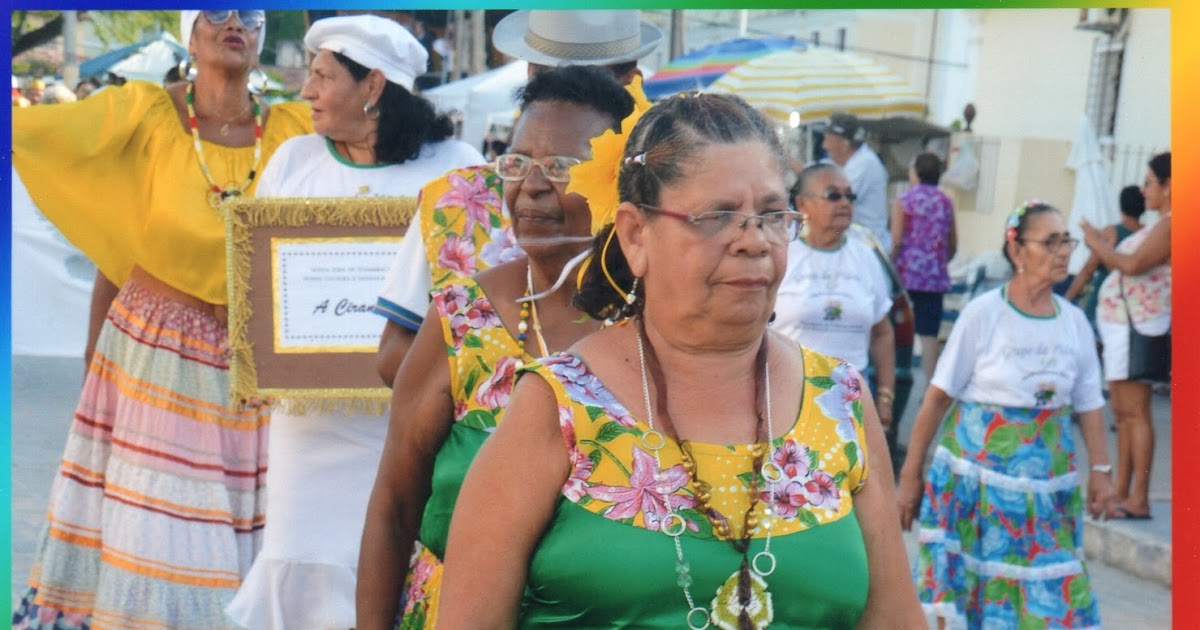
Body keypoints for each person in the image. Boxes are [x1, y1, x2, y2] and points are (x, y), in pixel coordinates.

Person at [436, 92, 924, 629]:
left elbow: (895, 619)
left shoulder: (840, 400)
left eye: (770, 215)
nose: (753, 241)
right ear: (636, 234)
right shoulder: (558, 408)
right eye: (717, 217)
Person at [11, 10, 312, 629]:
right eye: (216, 11)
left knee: (235, 548)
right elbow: (39, 137)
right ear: (189, 31)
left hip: (249, 372)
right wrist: (97, 378)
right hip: (153, 358)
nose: (235, 22)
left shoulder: (291, 129)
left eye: (251, 13)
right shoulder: (145, 114)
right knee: (157, 544)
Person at [223, 16, 484, 630]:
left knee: (401, 558)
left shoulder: (456, 166)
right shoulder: (294, 160)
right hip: (309, 425)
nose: (306, 92)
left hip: (414, 416)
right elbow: (259, 276)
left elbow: (476, 291)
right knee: (301, 558)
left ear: (373, 84)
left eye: (321, 76)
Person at [357, 65, 636, 630]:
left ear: (618, 184)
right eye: (517, 163)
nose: (531, 186)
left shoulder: (656, 327)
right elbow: (392, 505)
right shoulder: (463, 319)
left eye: (560, 167)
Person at [373, 9, 662, 388]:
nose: (560, 100)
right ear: (528, 79)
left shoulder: (664, 204)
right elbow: (395, 353)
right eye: (547, 80)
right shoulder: (453, 201)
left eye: (587, 82)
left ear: (631, 84)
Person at [897, 201, 1117, 628]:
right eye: (1049, 241)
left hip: (1047, 490)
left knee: (1050, 593)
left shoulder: (1074, 322)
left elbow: (1090, 403)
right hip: (975, 486)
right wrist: (910, 478)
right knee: (969, 591)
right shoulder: (983, 313)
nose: (1062, 252)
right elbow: (938, 397)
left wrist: (1103, 472)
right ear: (1017, 251)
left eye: (1065, 241)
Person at [1080, 152, 1171, 520]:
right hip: (1127, 325)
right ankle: (1123, 492)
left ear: (1169, 186)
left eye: (1150, 182)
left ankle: (1138, 497)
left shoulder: (1171, 225)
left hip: (1139, 326)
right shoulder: (1161, 224)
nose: (1144, 189)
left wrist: (1097, 244)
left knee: (1135, 413)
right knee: (1124, 412)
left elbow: (1133, 264)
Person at [773, 163, 897, 430]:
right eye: (833, 195)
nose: (844, 203)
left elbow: (882, 333)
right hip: (788, 396)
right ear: (803, 204)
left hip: (851, 399)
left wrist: (885, 397)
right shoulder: (783, 254)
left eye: (849, 196)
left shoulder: (864, 256)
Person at [890, 151, 956, 382]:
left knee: (898, 329)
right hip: (934, 277)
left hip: (905, 275)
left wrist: (891, 265)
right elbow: (952, 243)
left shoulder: (904, 200)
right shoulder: (946, 202)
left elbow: (897, 240)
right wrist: (938, 261)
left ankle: (897, 378)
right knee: (929, 334)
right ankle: (930, 386)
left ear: (916, 173)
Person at [1065, 185, 1145, 333]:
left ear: (1120, 207)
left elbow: (1089, 269)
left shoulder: (1112, 232)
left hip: (1102, 305)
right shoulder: (1148, 236)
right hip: (1133, 308)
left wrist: (1067, 299)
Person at [822, 111, 891, 254]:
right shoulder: (846, 163)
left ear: (845, 144)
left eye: (828, 139)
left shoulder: (865, 163)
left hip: (870, 248)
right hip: (859, 246)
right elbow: (813, 172)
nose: (824, 146)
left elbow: (830, 196)